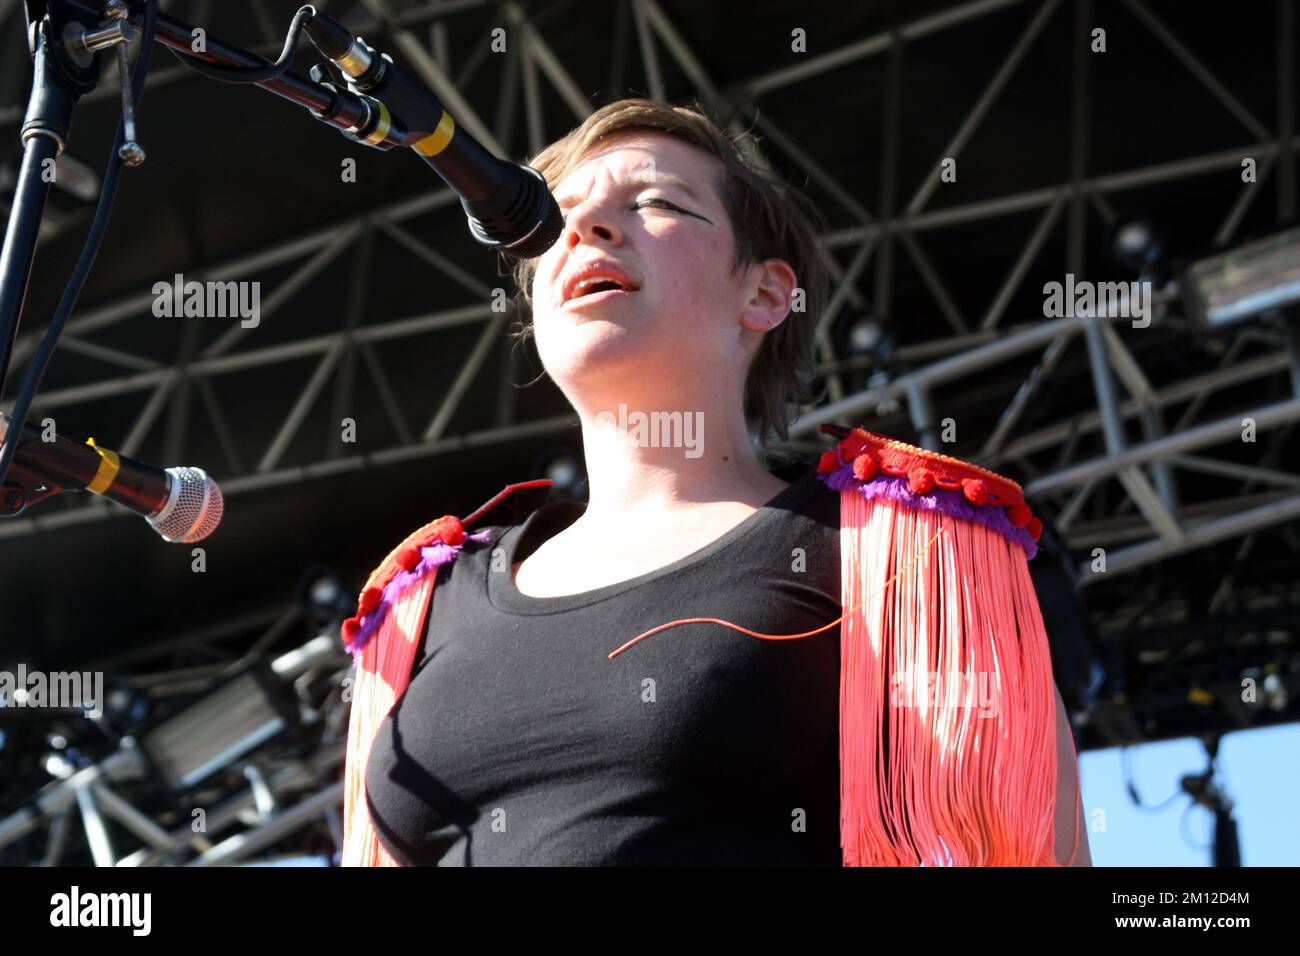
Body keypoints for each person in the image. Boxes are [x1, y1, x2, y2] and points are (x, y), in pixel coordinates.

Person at [339, 97, 1092, 867]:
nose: (585, 229)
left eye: (656, 202)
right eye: (554, 214)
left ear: (765, 294)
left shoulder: (903, 548)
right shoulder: (420, 600)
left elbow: (1039, 851)